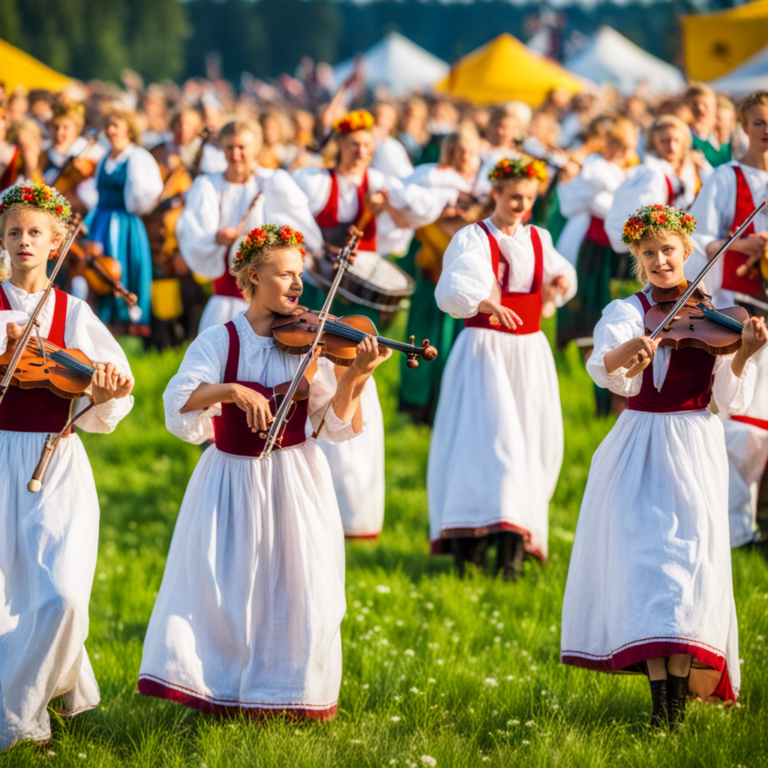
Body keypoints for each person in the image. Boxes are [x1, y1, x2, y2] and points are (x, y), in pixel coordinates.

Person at [138, 223, 390, 719]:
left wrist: (355, 377)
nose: (297, 286)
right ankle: (223, 691)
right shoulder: (220, 339)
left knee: (303, 590)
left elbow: (335, 423)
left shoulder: (313, 343)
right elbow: (177, 400)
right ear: (252, 276)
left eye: (300, 275)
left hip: (296, 478)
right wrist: (232, 390)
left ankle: (287, 693)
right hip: (231, 478)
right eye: (285, 275)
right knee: (228, 590)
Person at [561, 205, 766, 728]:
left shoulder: (718, 316)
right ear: (637, 257)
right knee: (649, 569)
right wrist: (633, 350)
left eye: (667, 251)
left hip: (695, 444)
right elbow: (608, 369)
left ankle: (676, 707)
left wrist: (742, 354)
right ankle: (661, 709)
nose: (659, 261)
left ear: (686, 252)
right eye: (648, 253)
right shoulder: (628, 312)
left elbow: (725, 397)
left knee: (687, 572)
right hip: (640, 444)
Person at [0, 183, 134, 752]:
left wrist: (107, 391)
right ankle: (23, 722)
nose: (24, 241)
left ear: (56, 243)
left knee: (62, 595)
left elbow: (113, 393)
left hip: (56, 458)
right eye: (13, 232)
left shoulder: (73, 312)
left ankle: (17, 712)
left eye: (35, 232)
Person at [428, 157, 576, 577]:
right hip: (484, 352)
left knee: (526, 441)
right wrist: (483, 299)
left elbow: (558, 271)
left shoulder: (538, 236)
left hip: (528, 352)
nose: (520, 205)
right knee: (484, 444)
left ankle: (512, 550)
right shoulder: (473, 237)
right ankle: (469, 546)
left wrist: (559, 284)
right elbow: (453, 287)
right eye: (514, 196)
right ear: (496, 192)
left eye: (528, 199)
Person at [689, 90, 768, 548]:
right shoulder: (726, 177)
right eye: (758, 121)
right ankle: (736, 528)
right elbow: (696, 236)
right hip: (737, 304)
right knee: (741, 416)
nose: (766, 129)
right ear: (743, 126)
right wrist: (741, 245)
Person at [177, 118, 321, 334]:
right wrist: (217, 238)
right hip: (226, 296)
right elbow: (192, 232)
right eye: (229, 147)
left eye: (242, 147)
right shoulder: (208, 186)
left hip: (267, 296)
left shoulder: (272, 182)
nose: (236, 154)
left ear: (255, 149)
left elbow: (300, 232)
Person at [399, 126, 486, 425]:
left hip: (462, 274)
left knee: (453, 340)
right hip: (432, 269)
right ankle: (416, 403)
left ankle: (446, 403)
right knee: (423, 334)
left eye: (470, 151)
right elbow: (418, 211)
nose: (464, 156)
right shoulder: (434, 178)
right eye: (458, 150)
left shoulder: (482, 185)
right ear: (448, 152)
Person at [556, 117, 638, 415]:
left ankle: (617, 395)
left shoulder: (622, 170)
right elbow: (575, 201)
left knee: (622, 315)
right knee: (596, 317)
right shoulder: (595, 168)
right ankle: (601, 393)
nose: (621, 150)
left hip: (614, 251)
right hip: (595, 249)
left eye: (626, 146)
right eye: (617, 144)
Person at [85, 106, 163, 336]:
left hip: (126, 223)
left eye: (116, 126)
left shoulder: (137, 157)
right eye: (107, 126)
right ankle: (102, 323)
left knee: (124, 267)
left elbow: (147, 193)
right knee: (99, 269)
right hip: (100, 221)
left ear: (128, 128)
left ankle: (126, 323)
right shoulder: (104, 159)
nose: (110, 131)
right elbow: (96, 195)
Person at [605, 115, 711, 254]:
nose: (671, 146)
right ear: (654, 144)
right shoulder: (651, 173)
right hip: (665, 248)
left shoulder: (697, 166)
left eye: (676, 140)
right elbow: (633, 215)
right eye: (664, 141)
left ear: (684, 142)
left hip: (698, 243)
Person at [43, 100, 105, 216]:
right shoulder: (44, 152)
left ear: (76, 128)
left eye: (66, 127)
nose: (59, 132)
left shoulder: (93, 154)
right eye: (56, 127)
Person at [685, 82, 732, 168]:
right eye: (695, 104)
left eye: (705, 104)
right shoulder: (684, 134)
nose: (700, 109)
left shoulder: (726, 133)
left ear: (714, 105)